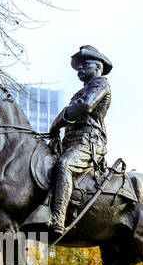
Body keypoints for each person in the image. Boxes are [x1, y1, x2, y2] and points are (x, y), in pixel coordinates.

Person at [46, 45, 112, 236]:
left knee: (65, 165)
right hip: (72, 141)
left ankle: (58, 218)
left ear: (98, 67)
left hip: (88, 142)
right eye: (79, 66)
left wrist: (57, 121)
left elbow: (85, 106)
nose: (80, 69)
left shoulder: (100, 84)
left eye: (85, 65)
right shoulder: (81, 91)